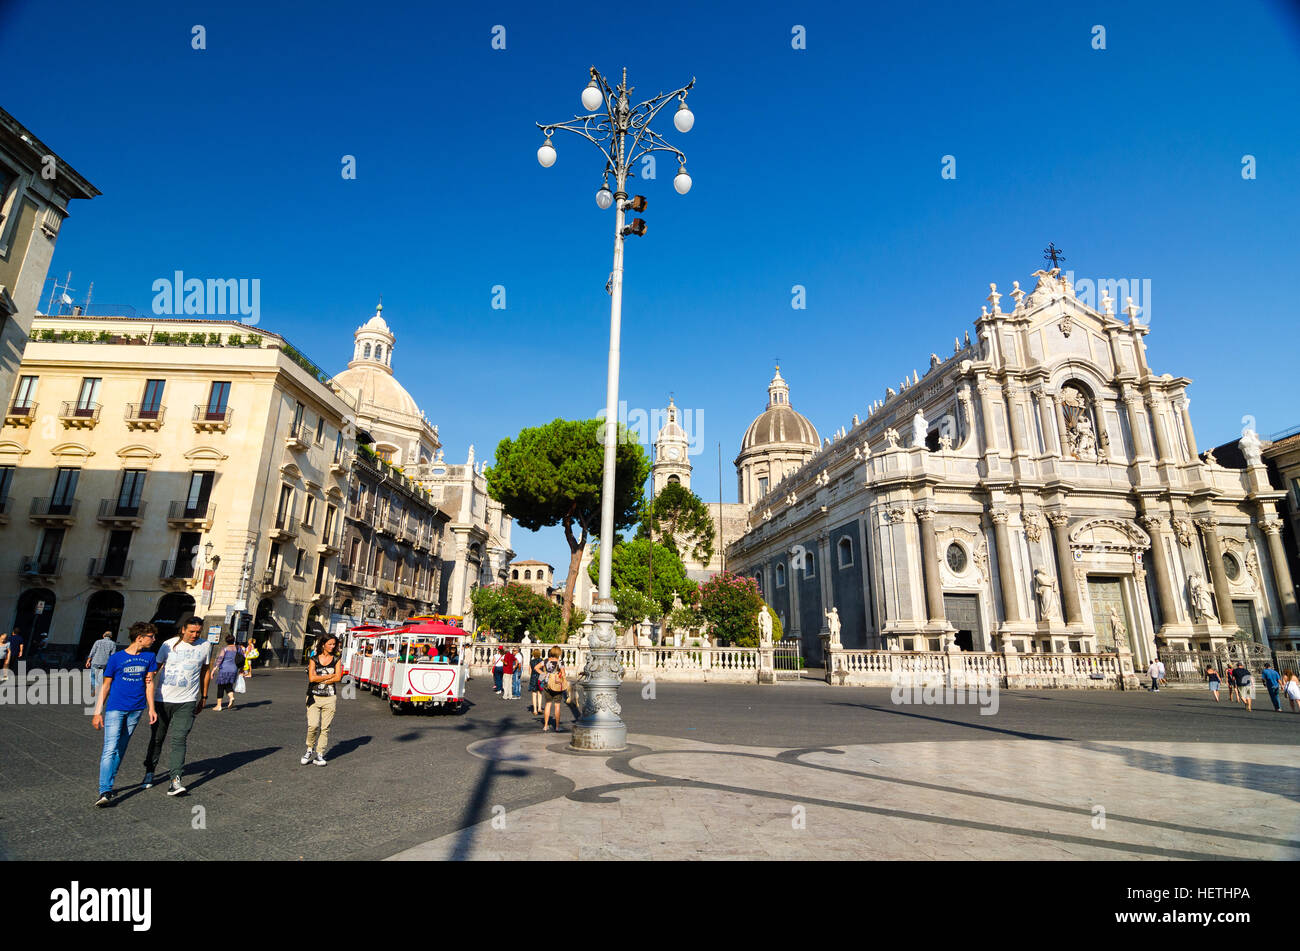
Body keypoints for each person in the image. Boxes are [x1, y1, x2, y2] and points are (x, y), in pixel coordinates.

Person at [142, 616, 212, 796]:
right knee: (157, 738)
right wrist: (145, 688)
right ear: (183, 630)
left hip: (187, 701)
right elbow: (155, 668)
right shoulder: (168, 644)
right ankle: (150, 771)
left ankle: (175, 779)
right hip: (162, 699)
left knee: (179, 739)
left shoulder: (205, 646)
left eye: (198, 632)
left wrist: (204, 696)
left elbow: (205, 671)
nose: (195, 635)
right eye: (191, 631)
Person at [91, 622, 159, 807]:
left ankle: (109, 784)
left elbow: (149, 684)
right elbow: (105, 686)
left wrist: (151, 709)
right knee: (109, 748)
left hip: (136, 709)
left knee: (121, 747)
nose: (153, 640)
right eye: (151, 637)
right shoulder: (116, 658)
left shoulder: (149, 657)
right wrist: (97, 712)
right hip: (115, 708)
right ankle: (104, 789)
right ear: (140, 638)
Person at [303, 634, 345, 766]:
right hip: (313, 697)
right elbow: (312, 678)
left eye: (334, 644)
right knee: (313, 725)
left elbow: (338, 678)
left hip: (330, 697)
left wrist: (321, 677)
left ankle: (319, 754)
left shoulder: (337, 659)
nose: (333, 647)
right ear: (323, 645)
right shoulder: (314, 659)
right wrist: (329, 676)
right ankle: (309, 749)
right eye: (330, 644)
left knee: (325, 728)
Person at [212, 634, 244, 712]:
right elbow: (243, 658)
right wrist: (242, 669)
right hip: (234, 669)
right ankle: (231, 697)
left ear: (226, 641)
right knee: (228, 685)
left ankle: (219, 705)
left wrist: (214, 669)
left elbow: (220, 658)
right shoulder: (239, 648)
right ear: (234, 640)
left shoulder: (225, 648)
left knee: (221, 686)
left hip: (224, 669)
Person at [540, 648, 567, 733]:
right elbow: (563, 673)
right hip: (556, 685)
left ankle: (545, 726)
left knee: (548, 704)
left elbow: (536, 667)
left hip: (547, 684)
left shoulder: (546, 661)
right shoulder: (560, 662)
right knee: (557, 705)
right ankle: (557, 727)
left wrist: (543, 674)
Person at [530, 651, 544, 717]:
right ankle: (539, 708)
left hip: (533, 677)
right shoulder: (541, 660)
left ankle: (535, 710)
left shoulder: (531, 661)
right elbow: (543, 669)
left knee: (534, 694)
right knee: (540, 693)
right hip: (540, 677)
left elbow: (530, 671)